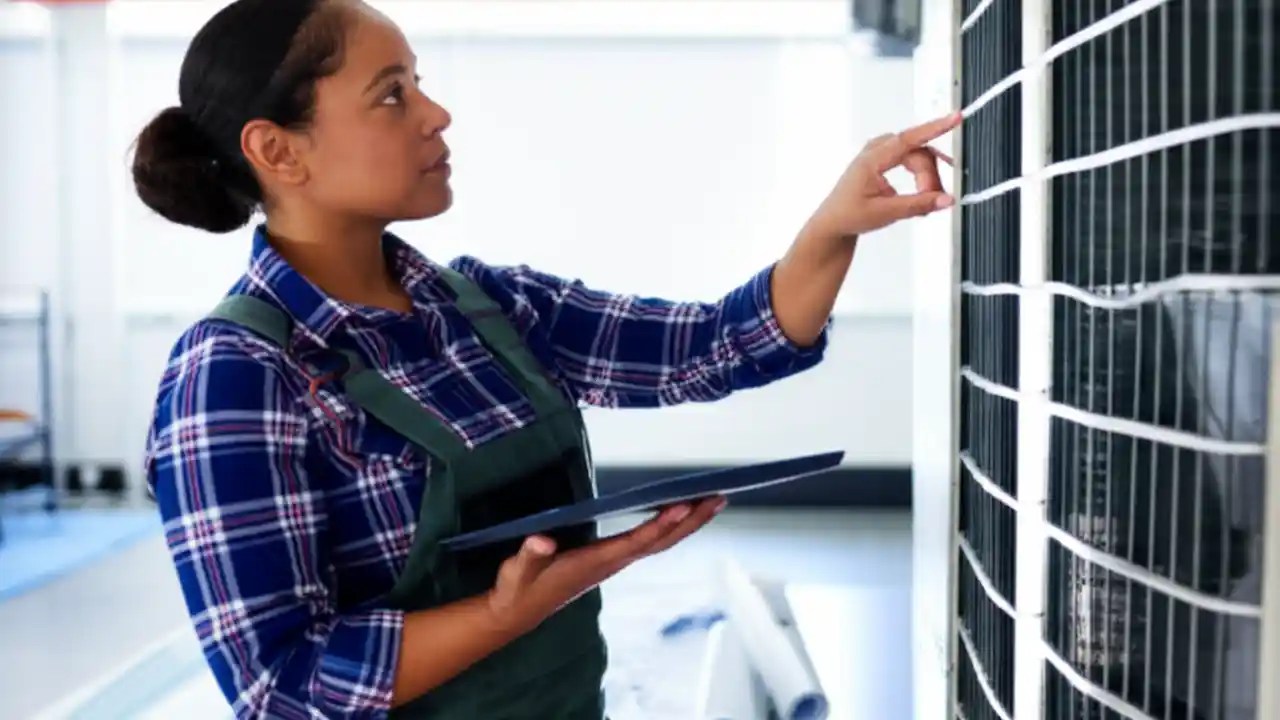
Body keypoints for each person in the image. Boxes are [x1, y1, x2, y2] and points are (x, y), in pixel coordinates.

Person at [133, 0, 960, 717]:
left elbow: (715, 346)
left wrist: (835, 226)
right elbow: (279, 688)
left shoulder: (491, 308)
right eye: (392, 95)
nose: (436, 114)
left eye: (418, 82)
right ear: (279, 152)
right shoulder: (236, 376)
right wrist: (505, 613)